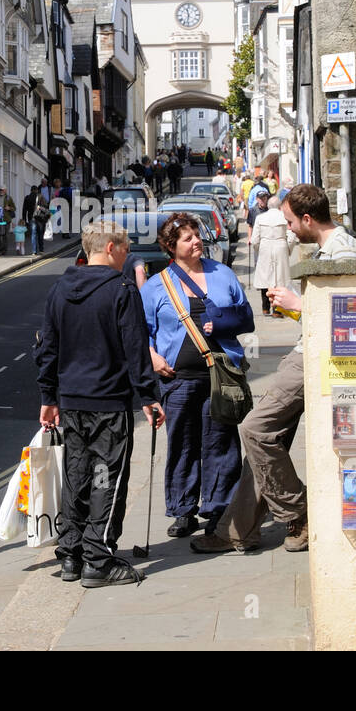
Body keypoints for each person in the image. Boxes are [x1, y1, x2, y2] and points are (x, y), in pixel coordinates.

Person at [192, 184, 356, 555]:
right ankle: (237, 530)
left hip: (315, 358)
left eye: (289, 221)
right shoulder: (329, 249)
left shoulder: (343, 250)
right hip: (310, 351)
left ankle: (298, 509)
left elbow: (353, 313)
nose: (287, 229)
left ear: (306, 218)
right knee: (268, 440)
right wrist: (295, 308)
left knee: (255, 430)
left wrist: (298, 304)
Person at [35, 220, 166, 588]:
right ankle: (98, 558)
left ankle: (71, 555)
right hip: (109, 402)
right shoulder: (122, 290)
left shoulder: (59, 289)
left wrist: (48, 396)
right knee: (107, 478)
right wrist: (149, 397)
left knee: (77, 476)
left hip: (72, 401)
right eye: (124, 247)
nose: (128, 254)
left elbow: (47, 347)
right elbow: (136, 348)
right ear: (110, 248)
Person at [141, 212, 255, 539]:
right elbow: (142, 331)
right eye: (187, 238)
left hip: (221, 373)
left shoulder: (223, 274)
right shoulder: (156, 285)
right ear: (170, 247)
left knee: (221, 441)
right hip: (177, 379)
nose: (196, 242)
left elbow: (245, 316)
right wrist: (152, 356)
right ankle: (182, 509)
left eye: (197, 236)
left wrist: (223, 322)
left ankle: (220, 507)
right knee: (182, 443)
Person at [250, 196, 297, 315]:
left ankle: (265, 308)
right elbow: (291, 236)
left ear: (268, 205)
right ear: (280, 206)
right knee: (279, 279)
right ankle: (277, 309)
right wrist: (288, 249)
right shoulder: (285, 217)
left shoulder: (260, 218)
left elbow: (255, 239)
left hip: (265, 247)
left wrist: (258, 250)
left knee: (264, 278)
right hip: (281, 246)